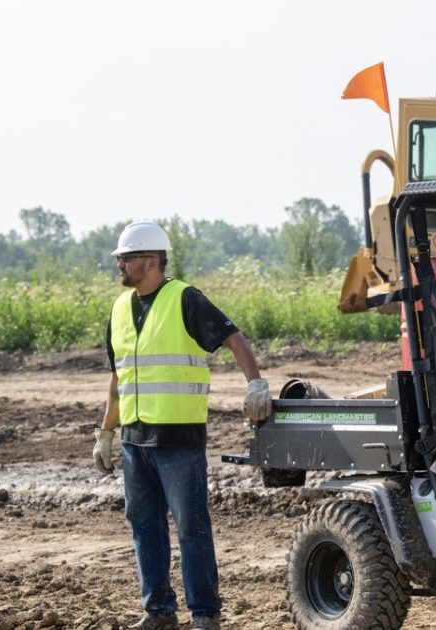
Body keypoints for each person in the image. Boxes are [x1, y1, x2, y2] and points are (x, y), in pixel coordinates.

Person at [91, 221, 272, 630]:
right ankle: (158, 612)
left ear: (151, 261)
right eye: (120, 258)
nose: (119, 264)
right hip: (135, 439)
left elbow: (233, 338)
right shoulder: (120, 310)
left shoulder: (184, 298)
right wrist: (106, 432)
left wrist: (256, 384)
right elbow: (118, 377)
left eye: (127, 257)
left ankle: (205, 615)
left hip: (178, 438)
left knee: (191, 526)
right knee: (143, 524)